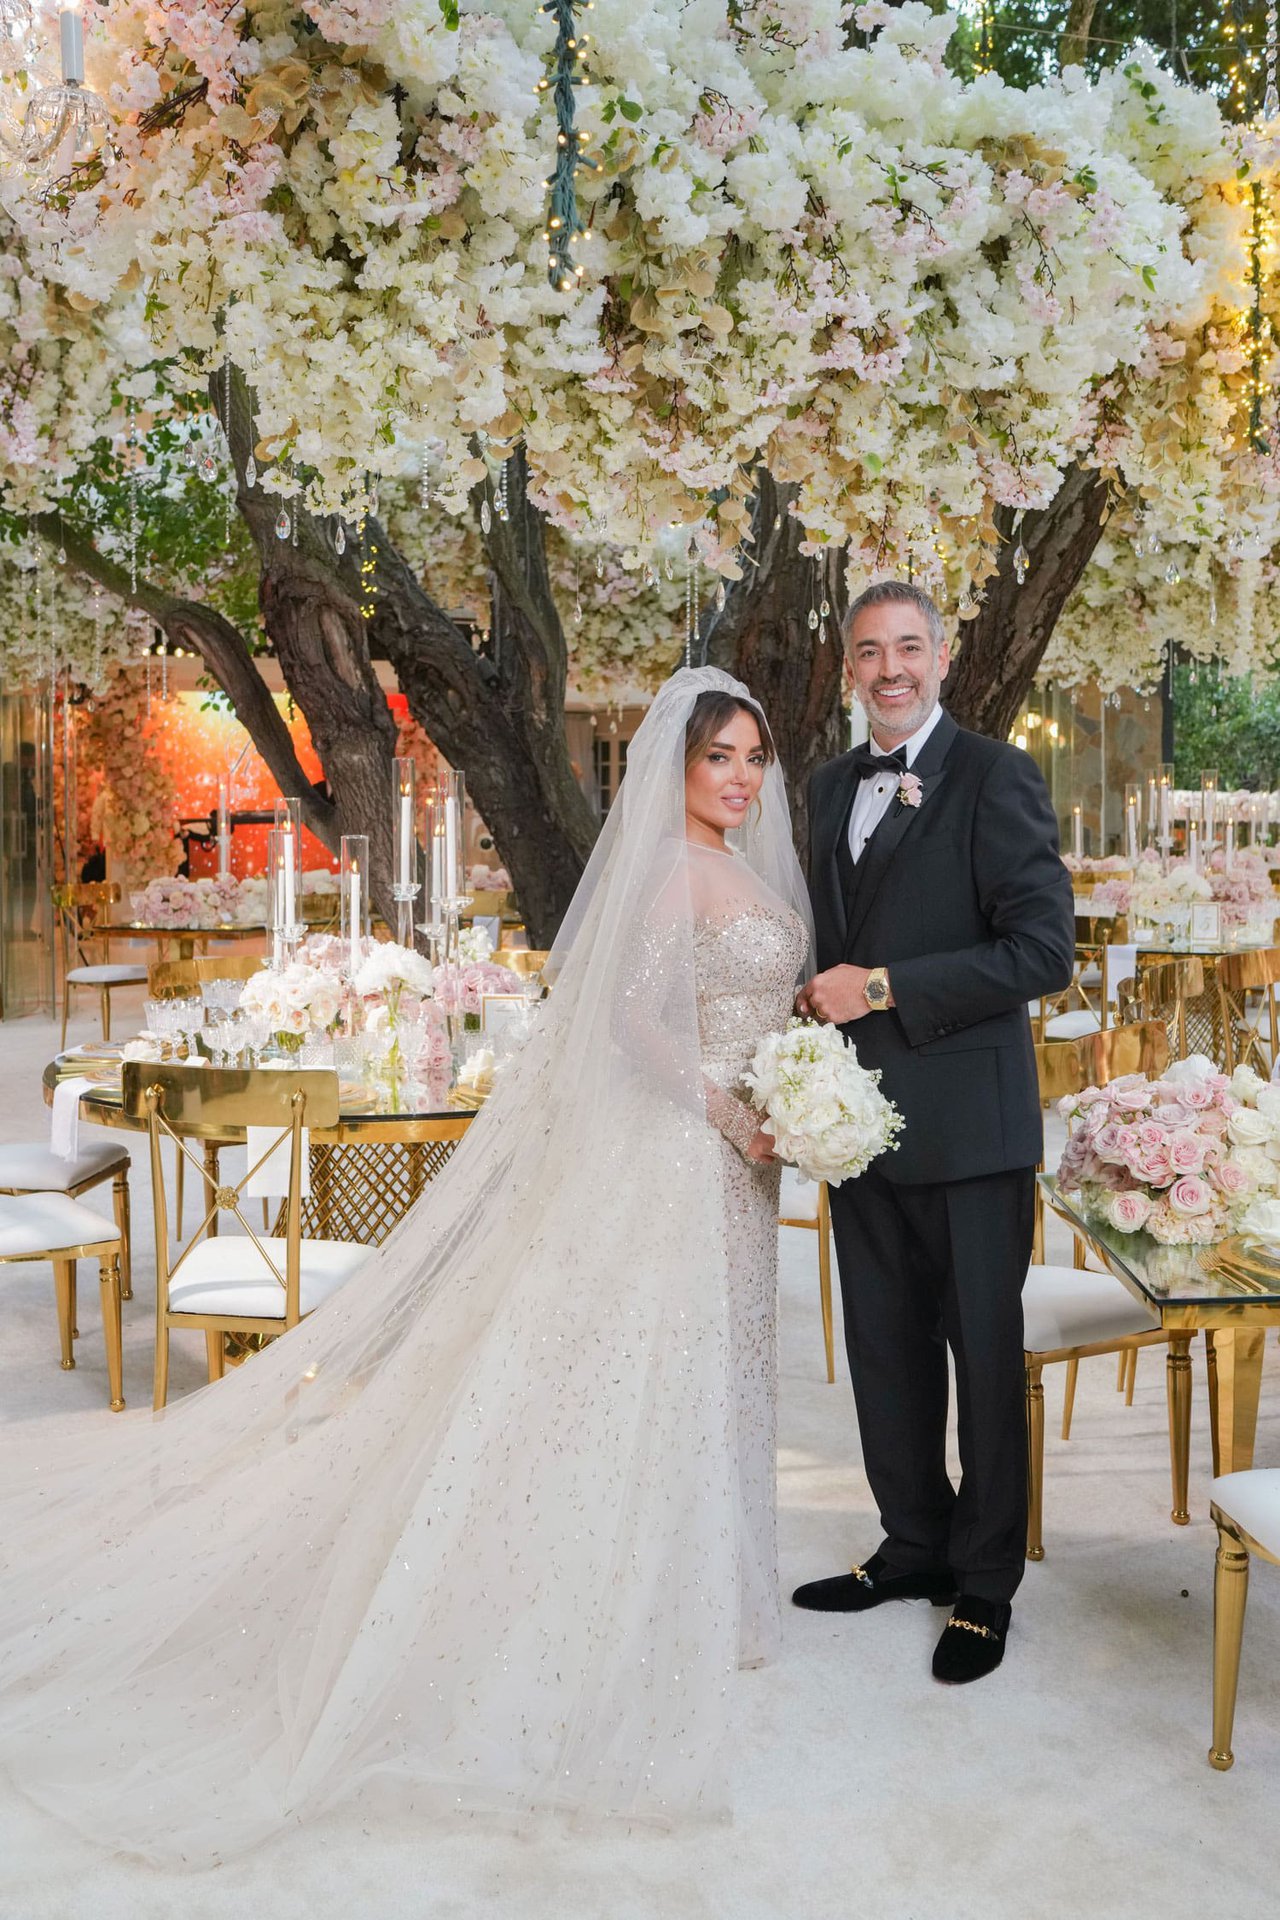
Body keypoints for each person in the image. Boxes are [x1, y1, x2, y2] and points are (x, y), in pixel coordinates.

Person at [0, 667, 810, 1866]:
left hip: (746, 1148)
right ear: (673, 774)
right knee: (653, 1365)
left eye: (750, 757)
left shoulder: (745, 867)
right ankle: (620, 1600)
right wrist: (725, 1109)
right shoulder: (665, 875)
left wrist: (793, 1082)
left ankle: (714, 1587)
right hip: (682, 1152)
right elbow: (634, 1027)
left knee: (725, 1360)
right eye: (717, 760)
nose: (738, 778)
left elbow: (750, 996)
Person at [793, 581, 1074, 1683]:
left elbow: (1039, 951)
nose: (889, 667)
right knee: (884, 1353)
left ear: (942, 657)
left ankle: (985, 1582)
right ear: (849, 665)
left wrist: (888, 986)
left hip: (970, 1133)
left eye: (908, 647)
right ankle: (912, 1543)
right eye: (869, 651)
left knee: (982, 1361)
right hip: (852, 1131)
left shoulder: (994, 775)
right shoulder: (823, 787)